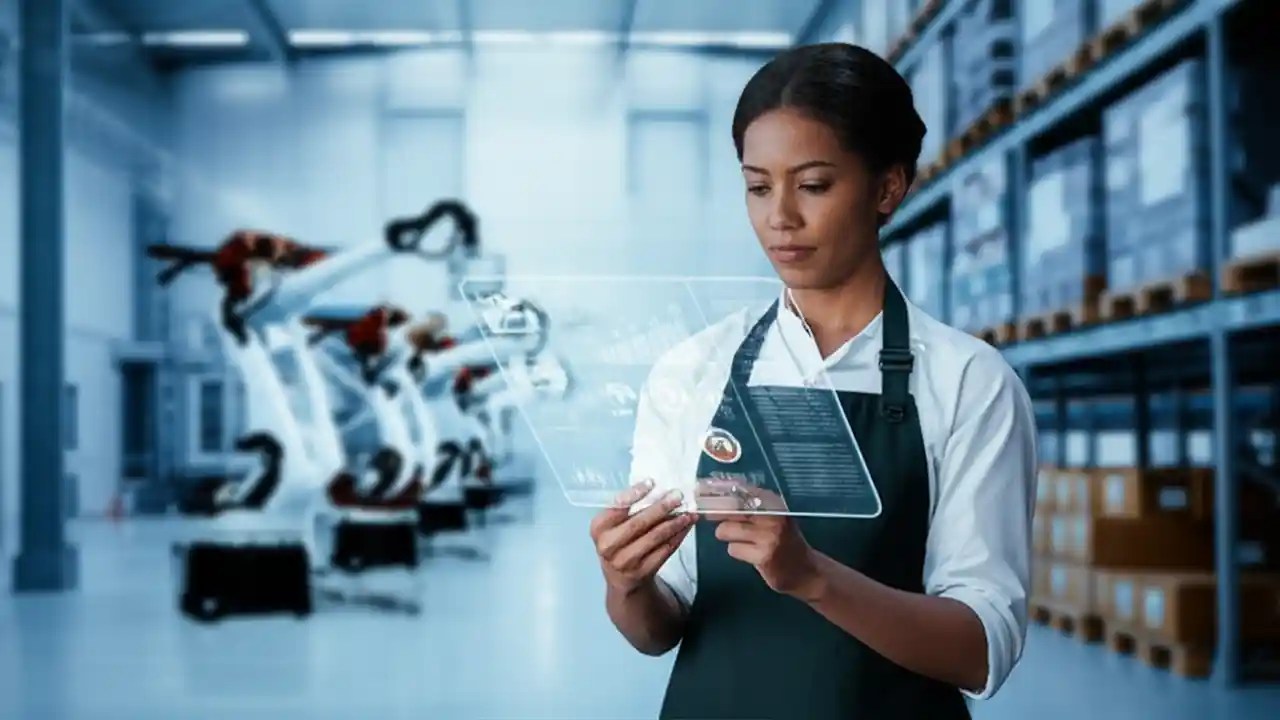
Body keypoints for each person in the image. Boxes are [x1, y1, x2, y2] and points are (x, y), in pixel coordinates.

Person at [589, 43, 1037, 719]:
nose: (780, 218)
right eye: (758, 186)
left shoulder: (968, 382)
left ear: (888, 187)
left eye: (814, 185)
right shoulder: (692, 371)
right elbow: (659, 629)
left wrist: (810, 576)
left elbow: (982, 649)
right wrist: (626, 585)